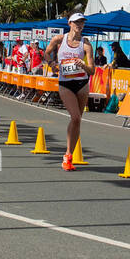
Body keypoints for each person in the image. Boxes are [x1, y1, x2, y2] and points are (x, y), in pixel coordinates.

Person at [46, 13, 94, 171]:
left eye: (82, 23)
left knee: (77, 121)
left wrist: (83, 65)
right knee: (74, 117)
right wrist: (52, 63)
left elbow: (92, 70)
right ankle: (68, 155)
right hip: (65, 84)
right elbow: (46, 53)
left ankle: (68, 155)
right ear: (70, 23)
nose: (80, 25)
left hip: (82, 83)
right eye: (77, 22)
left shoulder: (86, 44)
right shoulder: (59, 40)